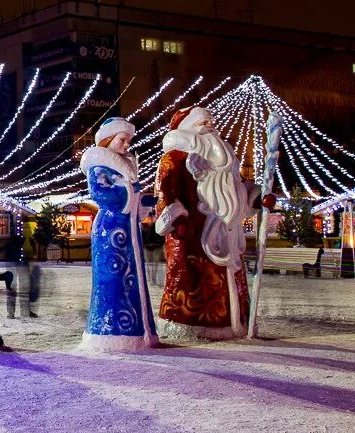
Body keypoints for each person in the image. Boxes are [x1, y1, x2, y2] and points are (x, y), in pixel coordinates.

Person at [155, 106, 276, 339]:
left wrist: (257, 197)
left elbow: (238, 187)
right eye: (203, 123)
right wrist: (175, 218)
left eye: (211, 121)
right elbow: (165, 192)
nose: (210, 126)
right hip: (191, 236)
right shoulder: (175, 157)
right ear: (188, 127)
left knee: (229, 276)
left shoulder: (225, 159)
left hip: (226, 230)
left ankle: (234, 322)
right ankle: (188, 324)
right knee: (192, 280)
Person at [79, 117, 158, 350]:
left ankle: (136, 328)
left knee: (131, 276)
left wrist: (144, 200)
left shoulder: (126, 166)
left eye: (128, 141)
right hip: (110, 229)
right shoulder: (100, 166)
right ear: (108, 140)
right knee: (112, 278)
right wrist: (130, 194)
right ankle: (110, 328)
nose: (126, 145)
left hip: (128, 227)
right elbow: (102, 194)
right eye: (122, 139)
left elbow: (132, 198)